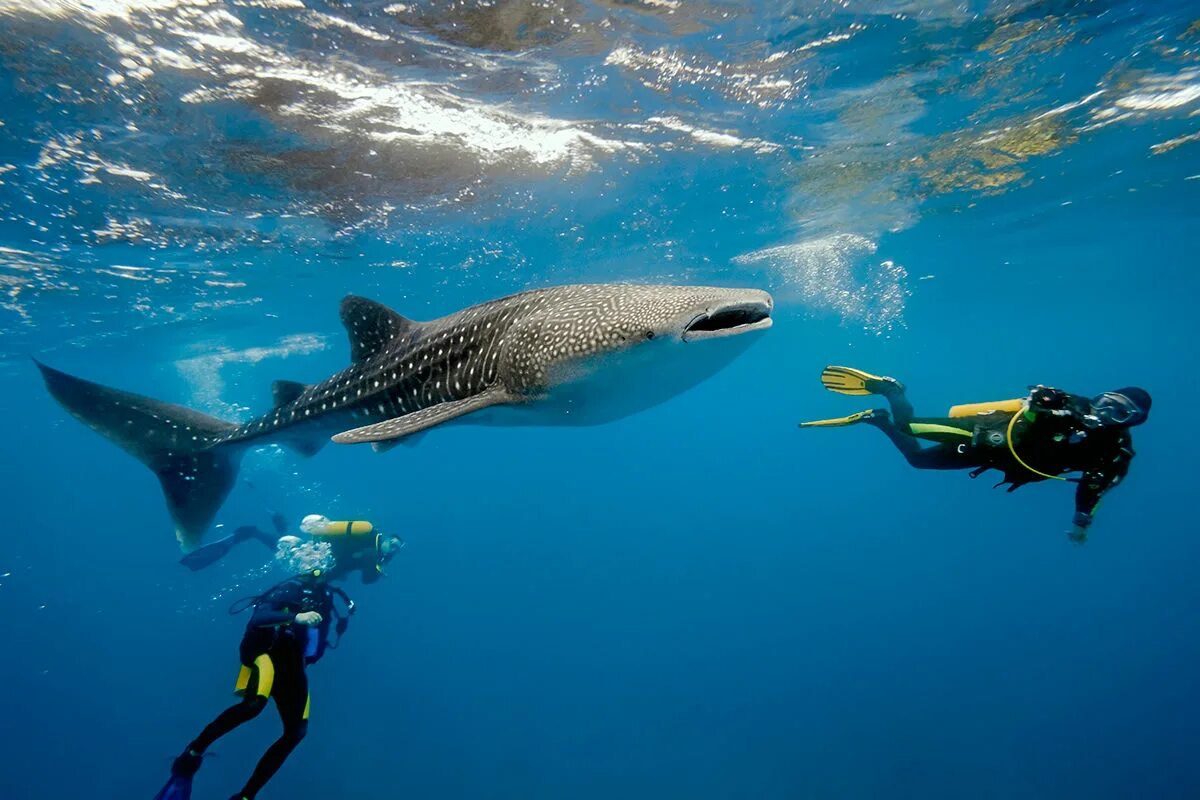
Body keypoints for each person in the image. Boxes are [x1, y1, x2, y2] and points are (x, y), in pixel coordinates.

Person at [799, 366, 1151, 543]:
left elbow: (1094, 487)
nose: (1105, 413)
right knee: (908, 426)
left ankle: (876, 420)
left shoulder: (1115, 453)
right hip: (985, 434)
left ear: (1132, 422)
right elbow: (1029, 410)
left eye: (1119, 413)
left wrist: (1081, 521)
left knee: (918, 460)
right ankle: (892, 391)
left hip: (998, 460)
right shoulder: (1069, 403)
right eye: (1107, 402)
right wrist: (1039, 406)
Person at [153, 544, 355, 800]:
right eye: (311, 566)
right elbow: (259, 617)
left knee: (297, 732)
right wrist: (296, 617)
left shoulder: (326, 596)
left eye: (321, 566)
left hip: (293, 662)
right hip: (266, 652)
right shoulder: (289, 588)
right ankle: (193, 752)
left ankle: (246, 796)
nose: (316, 570)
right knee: (253, 706)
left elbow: (318, 641)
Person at [181, 512, 403, 583]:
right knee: (289, 552)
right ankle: (252, 532)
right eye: (393, 543)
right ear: (387, 537)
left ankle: (278, 525)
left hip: (323, 562)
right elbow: (366, 577)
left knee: (290, 550)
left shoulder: (375, 552)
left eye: (397, 549)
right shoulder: (371, 546)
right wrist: (375, 567)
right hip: (319, 556)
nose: (393, 549)